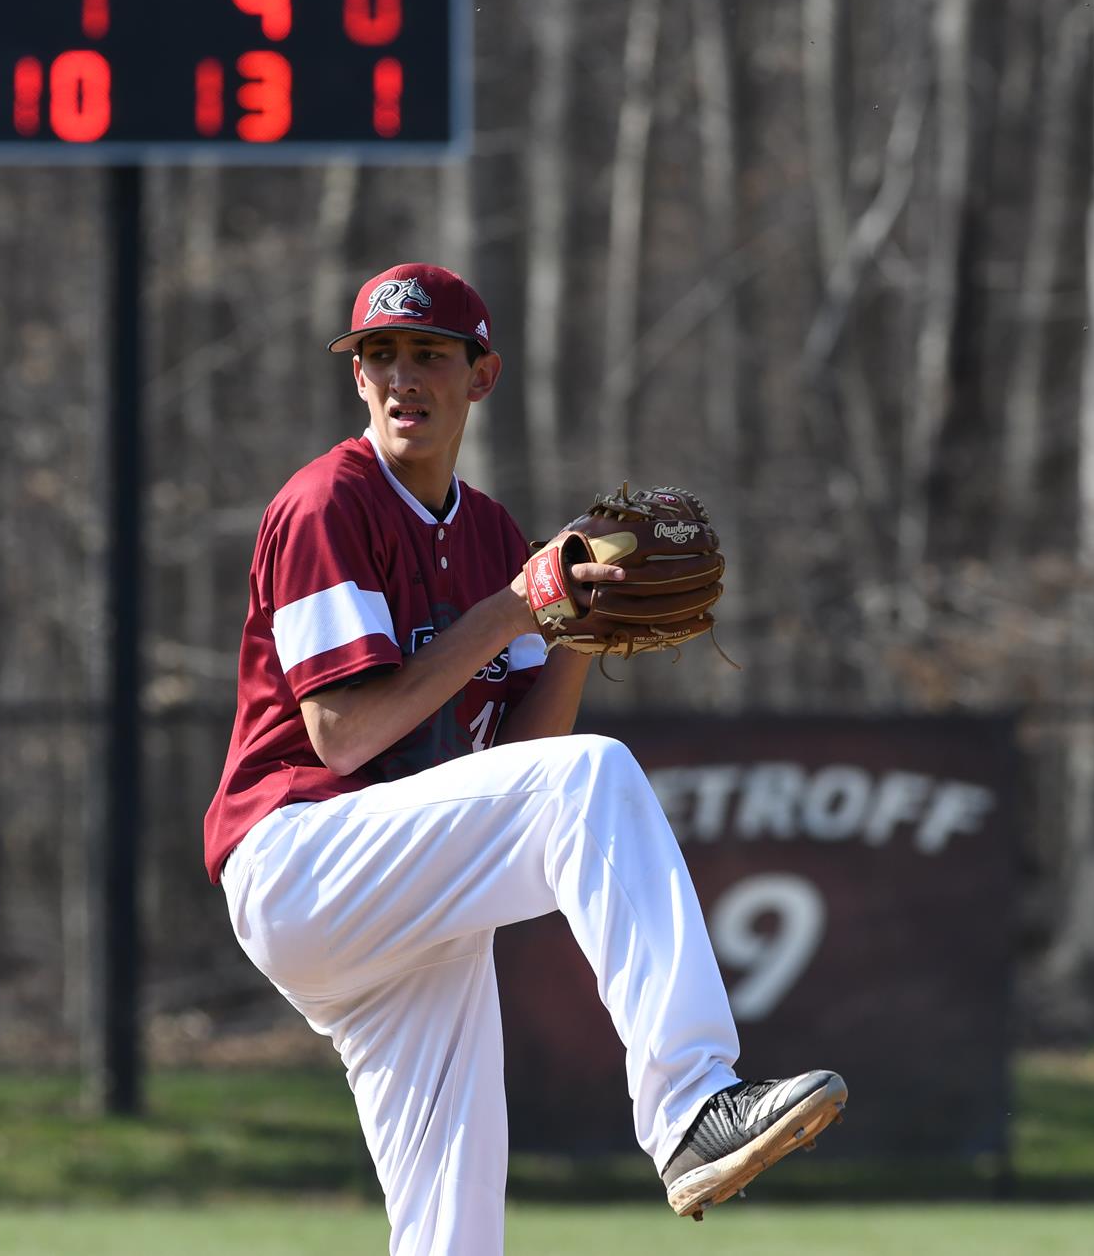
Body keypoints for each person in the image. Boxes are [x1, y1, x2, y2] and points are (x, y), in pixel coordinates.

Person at [203, 263, 845, 1253]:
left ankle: (678, 1112)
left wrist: (579, 631)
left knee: (454, 1228)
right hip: (301, 856)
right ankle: (686, 1103)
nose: (402, 378)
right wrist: (515, 606)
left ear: (480, 375)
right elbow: (342, 733)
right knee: (594, 775)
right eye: (380, 355)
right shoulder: (326, 503)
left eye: (429, 354)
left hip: (408, 899)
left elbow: (514, 768)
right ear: (358, 378)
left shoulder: (494, 533)